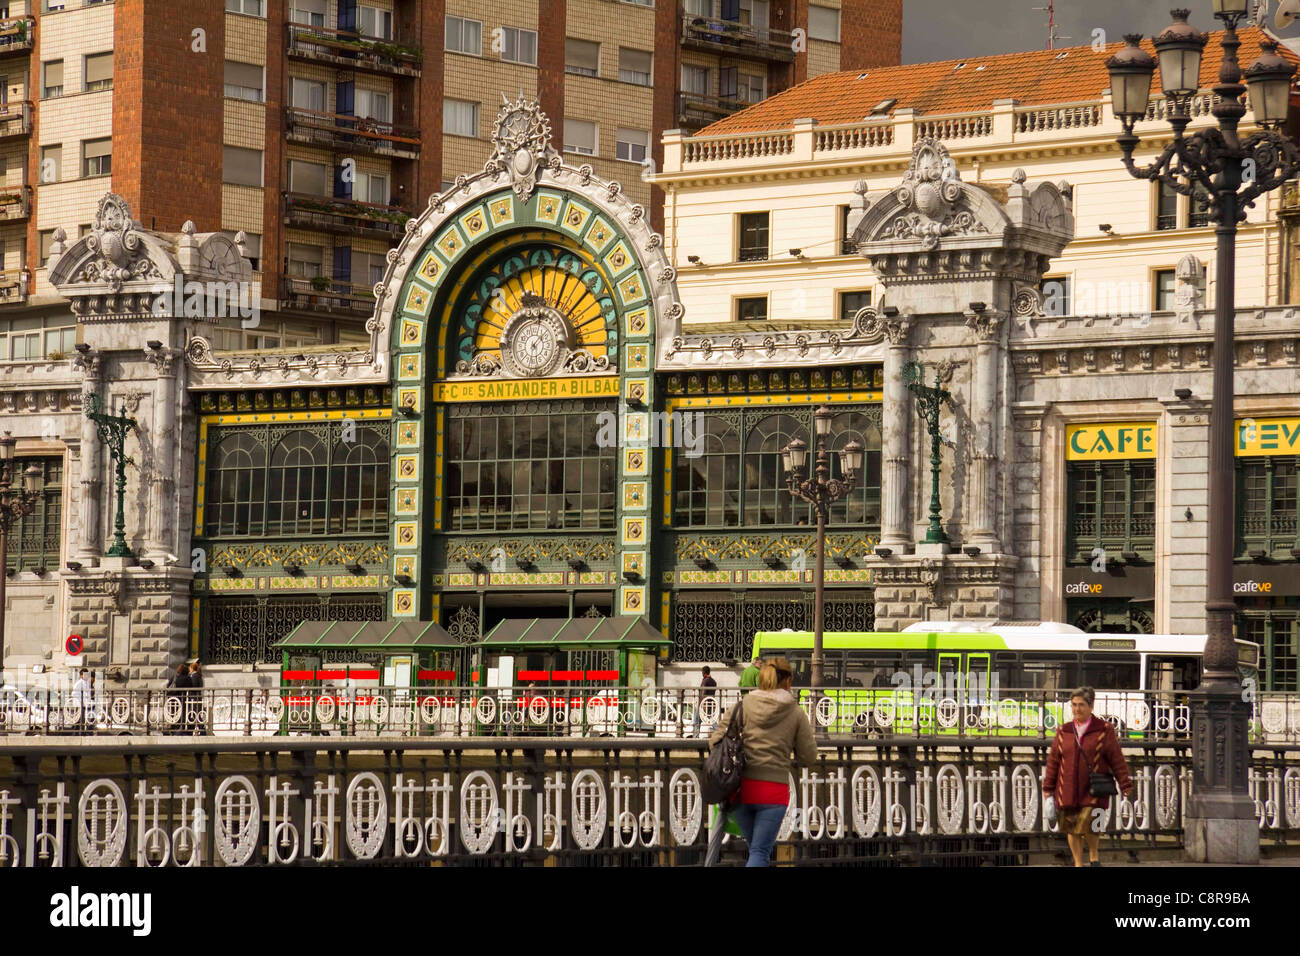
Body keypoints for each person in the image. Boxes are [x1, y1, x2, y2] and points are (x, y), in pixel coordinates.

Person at [708, 657, 817, 867]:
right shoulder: (795, 712)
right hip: (773, 791)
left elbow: (715, 741)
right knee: (759, 851)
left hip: (740, 790)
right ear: (787, 681)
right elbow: (808, 756)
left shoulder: (743, 705)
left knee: (757, 850)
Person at [1043, 686, 1135, 867]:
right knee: (1072, 828)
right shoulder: (1064, 731)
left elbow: (1116, 758)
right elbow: (1054, 761)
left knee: (1092, 824)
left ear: (1091, 706)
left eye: (1082, 705)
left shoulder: (1104, 730)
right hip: (1067, 788)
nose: (1077, 709)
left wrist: (1125, 783)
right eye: (1074, 705)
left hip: (1094, 788)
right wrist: (1048, 788)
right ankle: (1078, 863)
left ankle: (1094, 854)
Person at [165, 662, 191, 735]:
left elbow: (168, 686)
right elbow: (191, 687)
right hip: (183, 698)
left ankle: (173, 727)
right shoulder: (187, 678)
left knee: (173, 712)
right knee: (182, 713)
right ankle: (181, 727)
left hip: (173, 698)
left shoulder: (174, 677)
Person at [692, 666, 717, 737]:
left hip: (703, 704)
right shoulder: (713, 681)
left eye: (702, 672)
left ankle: (695, 737)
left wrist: (702, 704)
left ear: (704, 672)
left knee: (696, 721)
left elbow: (703, 693)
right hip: (710, 703)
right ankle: (719, 733)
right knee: (712, 720)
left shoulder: (705, 680)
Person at [188, 661, 205, 735]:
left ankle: (200, 728)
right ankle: (200, 728)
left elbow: (193, 686)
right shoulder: (199, 675)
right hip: (197, 697)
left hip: (194, 697)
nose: (189, 669)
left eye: (190, 668)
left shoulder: (194, 676)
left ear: (192, 668)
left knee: (195, 713)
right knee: (197, 713)